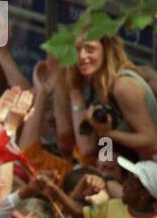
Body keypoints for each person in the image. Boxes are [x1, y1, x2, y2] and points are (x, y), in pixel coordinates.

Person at [58, 32, 157, 160]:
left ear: (106, 50)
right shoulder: (95, 87)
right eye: (77, 50)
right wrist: (75, 92)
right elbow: (87, 149)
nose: (82, 56)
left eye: (90, 49)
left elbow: (152, 142)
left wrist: (108, 133)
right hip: (123, 170)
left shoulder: (123, 86)